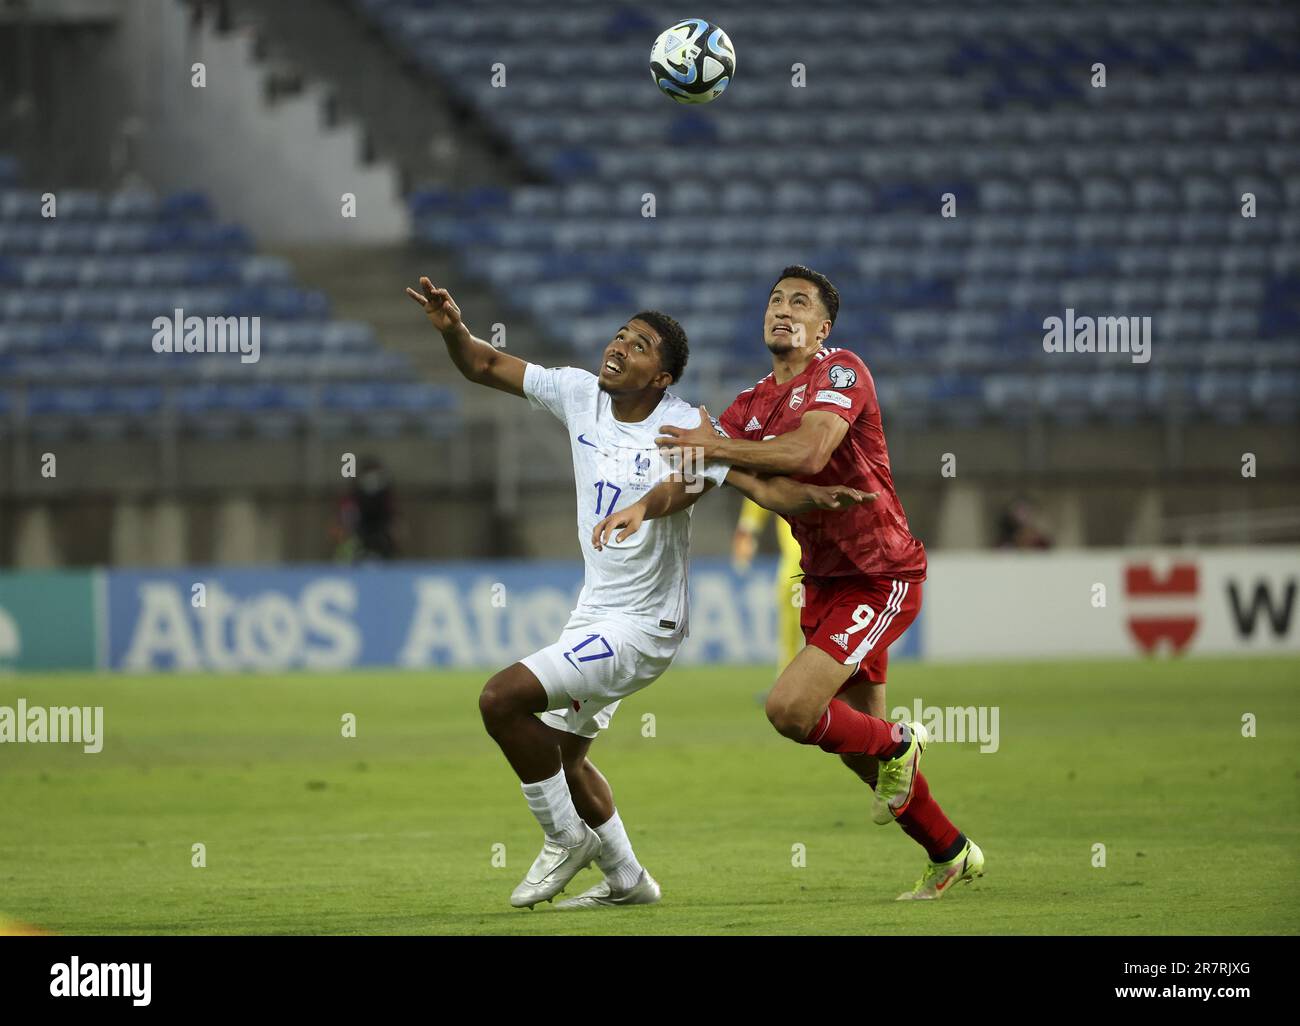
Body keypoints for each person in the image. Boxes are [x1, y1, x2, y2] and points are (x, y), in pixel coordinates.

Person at [406, 276, 869, 910]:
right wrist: (452, 330)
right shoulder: (578, 395)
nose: (620, 345)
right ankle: (628, 880)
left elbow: (738, 484)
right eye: (620, 334)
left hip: (644, 627)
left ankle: (565, 836)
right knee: (566, 760)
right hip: (592, 616)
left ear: (662, 378)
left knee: (500, 699)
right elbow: (484, 364)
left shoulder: (685, 424)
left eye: (641, 344)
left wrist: (655, 508)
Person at [594, 265, 983, 900]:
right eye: (776, 299)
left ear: (822, 327)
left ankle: (904, 742)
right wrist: (647, 504)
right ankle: (951, 851)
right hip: (823, 581)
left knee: (791, 710)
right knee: (862, 760)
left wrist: (721, 452)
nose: (783, 309)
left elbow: (805, 453)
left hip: (879, 572)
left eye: (799, 303)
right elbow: (722, 478)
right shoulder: (750, 406)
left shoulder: (841, 372)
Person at [732, 499, 804, 671]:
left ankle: (799, 677)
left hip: (826, 540)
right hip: (800, 548)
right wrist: (748, 529)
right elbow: (762, 483)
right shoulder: (779, 473)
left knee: (793, 590)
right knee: (791, 593)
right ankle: (790, 676)